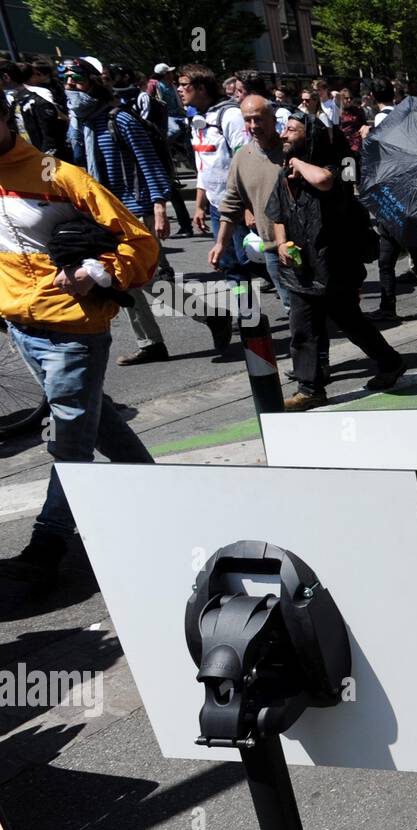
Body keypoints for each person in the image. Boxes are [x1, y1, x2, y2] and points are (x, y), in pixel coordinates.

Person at [0, 93, 156, 593]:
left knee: (69, 439)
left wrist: (97, 271)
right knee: (98, 419)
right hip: (20, 325)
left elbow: (140, 241)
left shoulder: (55, 175)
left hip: (72, 327)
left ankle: (48, 543)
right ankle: (160, 492)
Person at [266, 112, 406, 410]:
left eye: (291, 130)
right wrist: (280, 244)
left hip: (333, 264)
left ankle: (390, 362)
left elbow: (325, 181)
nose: (284, 135)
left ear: (310, 135)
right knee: (302, 328)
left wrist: (298, 164)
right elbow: (277, 214)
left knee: (351, 322)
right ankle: (310, 388)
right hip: (300, 268)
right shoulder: (283, 175)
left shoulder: (338, 165)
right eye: (284, 130)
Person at [62, 58, 174, 366]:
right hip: (102, 215)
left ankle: (213, 316)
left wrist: (160, 206)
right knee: (122, 279)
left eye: (77, 81)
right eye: (66, 82)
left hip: (135, 210)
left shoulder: (119, 119)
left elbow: (149, 161)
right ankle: (150, 343)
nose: (71, 87)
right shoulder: (82, 125)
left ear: (94, 84)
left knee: (153, 279)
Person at [181, 62, 248, 355]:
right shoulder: (198, 118)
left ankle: (308, 309)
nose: (180, 90)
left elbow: (244, 162)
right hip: (217, 207)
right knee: (232, 268)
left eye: (185, 85)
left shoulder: (229, 115)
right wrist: (199, 204)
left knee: (258, 262)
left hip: (238, 207)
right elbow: (204, 166)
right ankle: (250, 318)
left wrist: (246, 206)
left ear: (201, 88)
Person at [210, 96, 290, 310]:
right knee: (293, 309)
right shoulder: (241, 157)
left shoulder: (291, 150)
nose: (253, 126)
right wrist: (220, 243)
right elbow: (231, 205)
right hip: (273, 249)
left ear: (273, 119)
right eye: (248, 120)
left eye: (259, 119)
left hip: (305, 246)